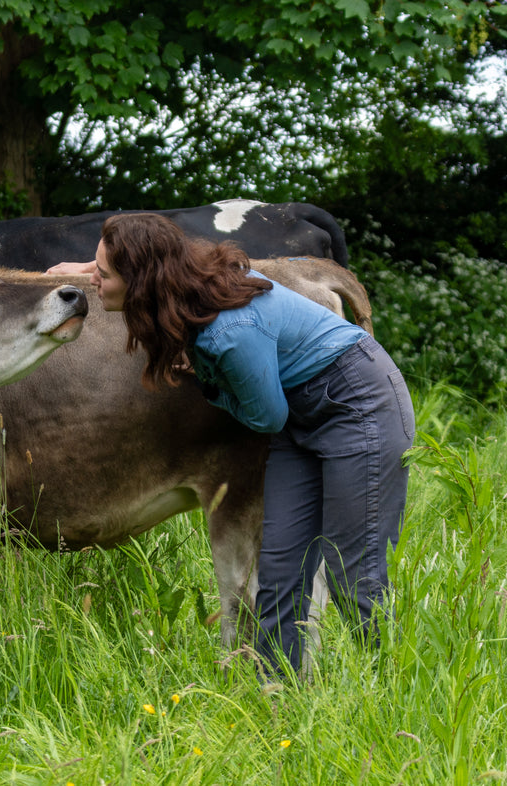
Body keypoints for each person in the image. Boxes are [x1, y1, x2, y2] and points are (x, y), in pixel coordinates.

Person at [87, 213, 414, 674]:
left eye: (102, 274)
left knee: (350, 572)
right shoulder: (194, 284)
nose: (94, 281)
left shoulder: (227, 334)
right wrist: (78, 269)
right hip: (303, 417)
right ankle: (276, 693)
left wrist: (207, 381)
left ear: (141, 284)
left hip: (358, 407)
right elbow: (281, 414)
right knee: (279, 571)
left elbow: (266, 416)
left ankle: (396, 685)